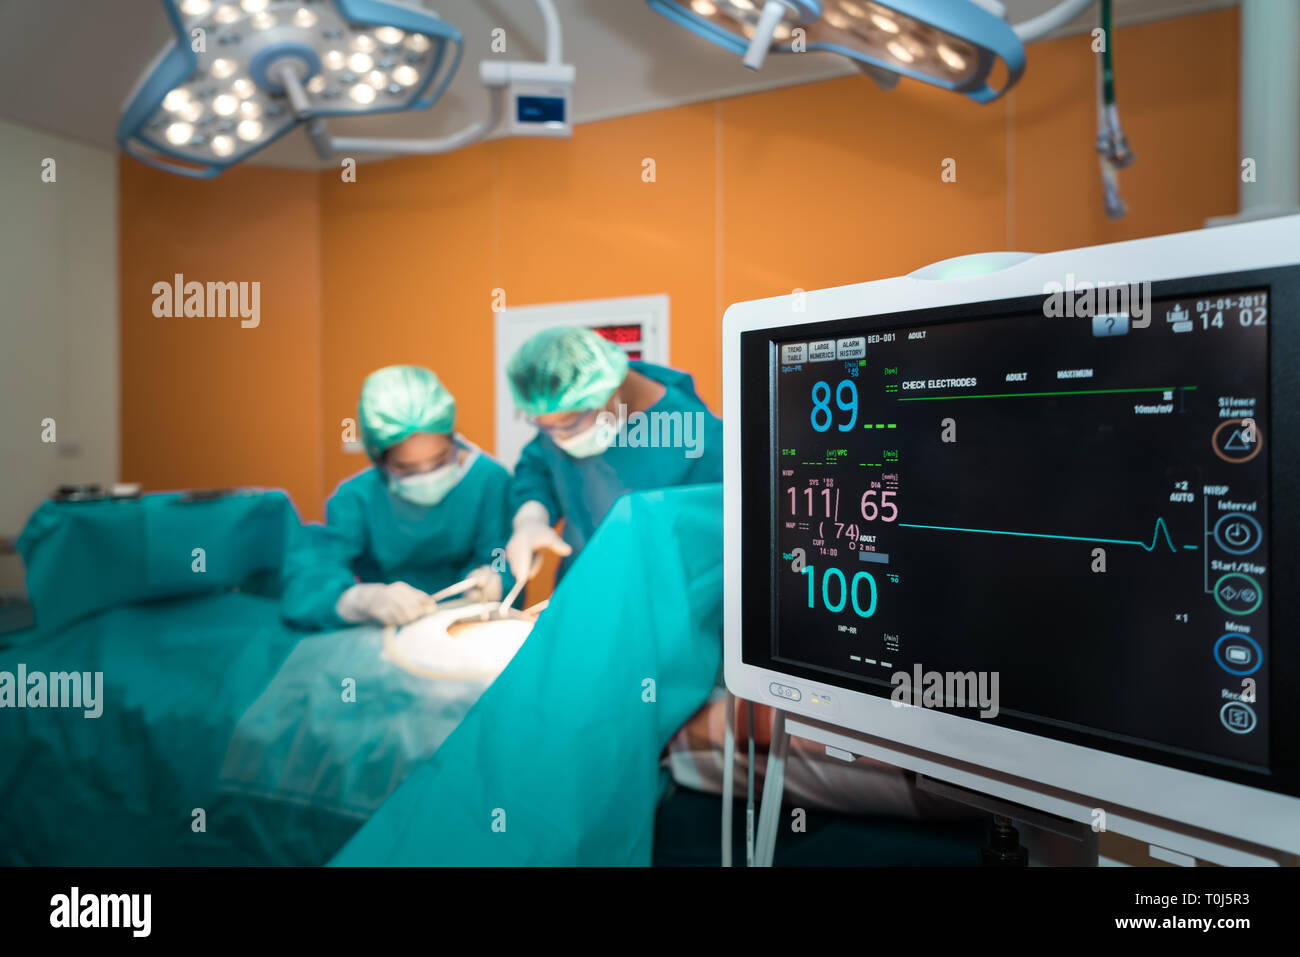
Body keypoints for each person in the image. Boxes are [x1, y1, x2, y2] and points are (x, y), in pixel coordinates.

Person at [282, 365, 512, 630]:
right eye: (407, 468)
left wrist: (496, 575)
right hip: (386, 639)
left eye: (439, 461)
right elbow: (307, 579)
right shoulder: (357, 498)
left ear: (453, 439)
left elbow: (500, 553)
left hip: (471, 630)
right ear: (377, 457)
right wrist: (359, 600)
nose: (427, 475)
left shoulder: (489, 480)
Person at [504, 327, 722, 584]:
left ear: (607, 394)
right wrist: (532, 516)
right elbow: (538, 467)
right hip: (580, 589)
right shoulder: (564, 403)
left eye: (567, 425)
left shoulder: (699, 438)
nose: (560, 438)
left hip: (657, 604)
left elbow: (710, 549)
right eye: (547, 427)